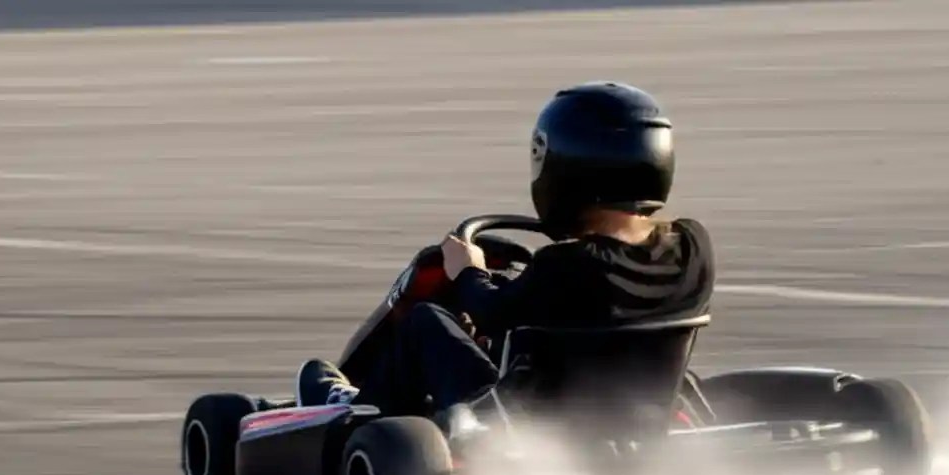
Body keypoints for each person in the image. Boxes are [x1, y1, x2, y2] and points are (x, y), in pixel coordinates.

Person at [299, 81, 715, 417]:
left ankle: (357, 411)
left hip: (525, 420)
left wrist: (467, 269)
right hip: (638, 411)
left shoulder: (566, 266)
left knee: (424, 322)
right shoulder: (694, 245)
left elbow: (489, 312)